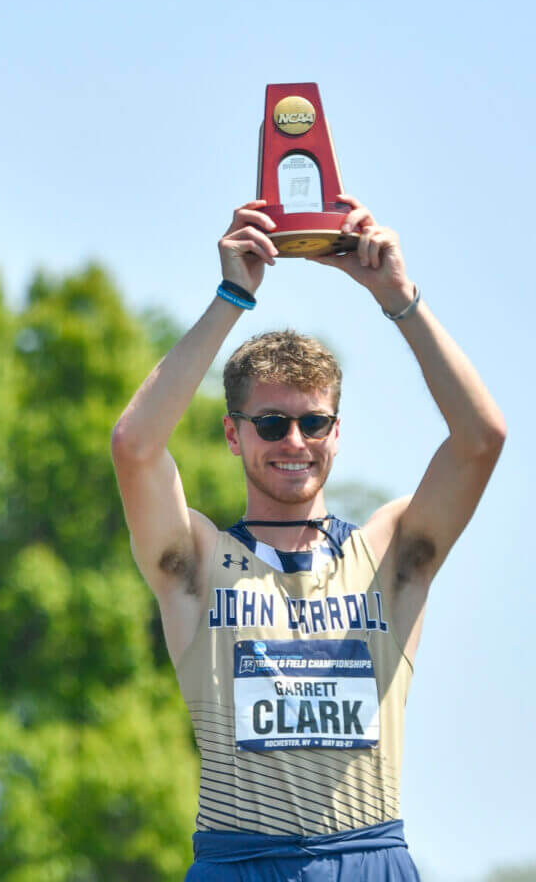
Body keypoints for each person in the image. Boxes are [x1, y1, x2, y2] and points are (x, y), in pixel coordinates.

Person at [110, 198, 504, 879]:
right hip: (240, 858)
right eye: (270, 424)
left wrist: (398, 296)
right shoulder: (198, 561)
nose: (294, 442)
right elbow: (135, 446)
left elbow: (480, 439)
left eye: (314, 423)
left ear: (337, 433)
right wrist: (233, 294)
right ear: (233, 434)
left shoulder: (388, 552)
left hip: (370, 854)